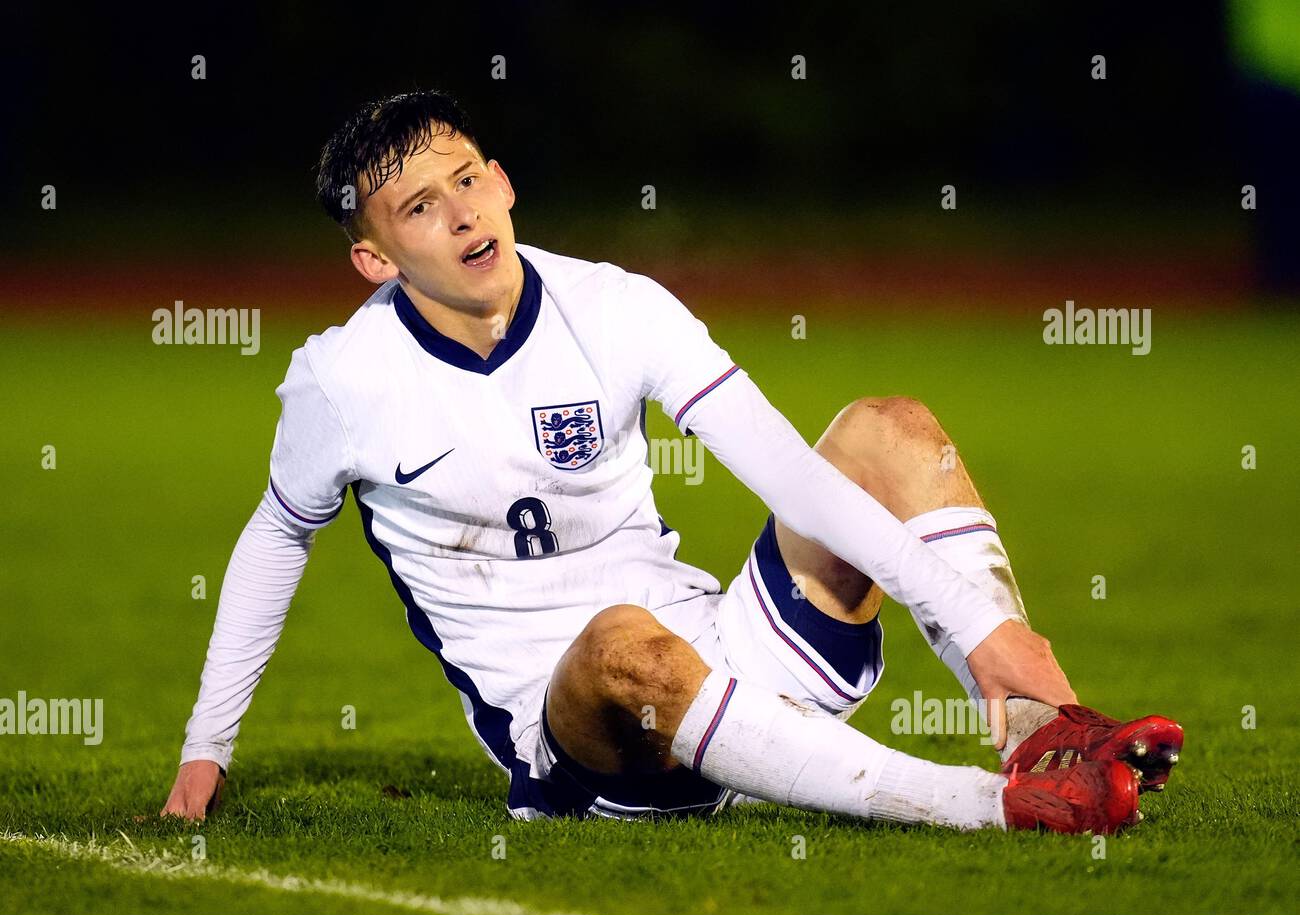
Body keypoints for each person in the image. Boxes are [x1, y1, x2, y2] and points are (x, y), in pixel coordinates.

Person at [162, 90, 1182, 832]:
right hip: (587, 733)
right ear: (376, 259)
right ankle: (987, 806)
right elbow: (278, 531)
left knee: (888, 425)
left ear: (504, 180)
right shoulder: (342, 382)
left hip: (732, 649)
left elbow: (790, 474)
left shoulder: (616, 307)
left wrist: (981, 620)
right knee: (620, 638)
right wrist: (206, 747)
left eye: (469, 177)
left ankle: (1054, 741)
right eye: (421, 205)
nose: (465, 211)